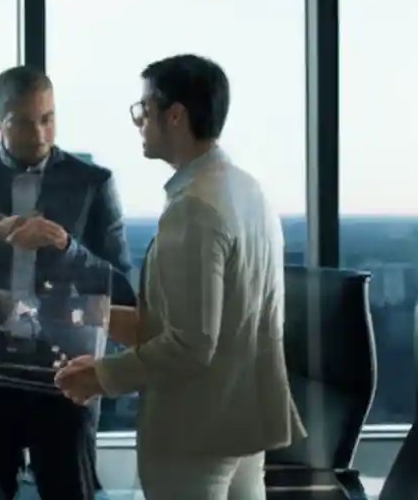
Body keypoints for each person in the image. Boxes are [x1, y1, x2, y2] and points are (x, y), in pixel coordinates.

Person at [55, 54, 306, 500]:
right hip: (242, 426)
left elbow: (191, 344)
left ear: (174, 116)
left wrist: (102, 376)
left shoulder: (194, 207)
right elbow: (213, 322)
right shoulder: (247, 190)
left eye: (144, 109)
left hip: (194, 433)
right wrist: (88, 313)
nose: (139, 122)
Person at [0, 66, 136, 500]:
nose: (39, 134)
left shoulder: (92, 183)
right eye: (23, 122)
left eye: (47, 119)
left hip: (65, 371)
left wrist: (68, 248)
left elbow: (121, 286)